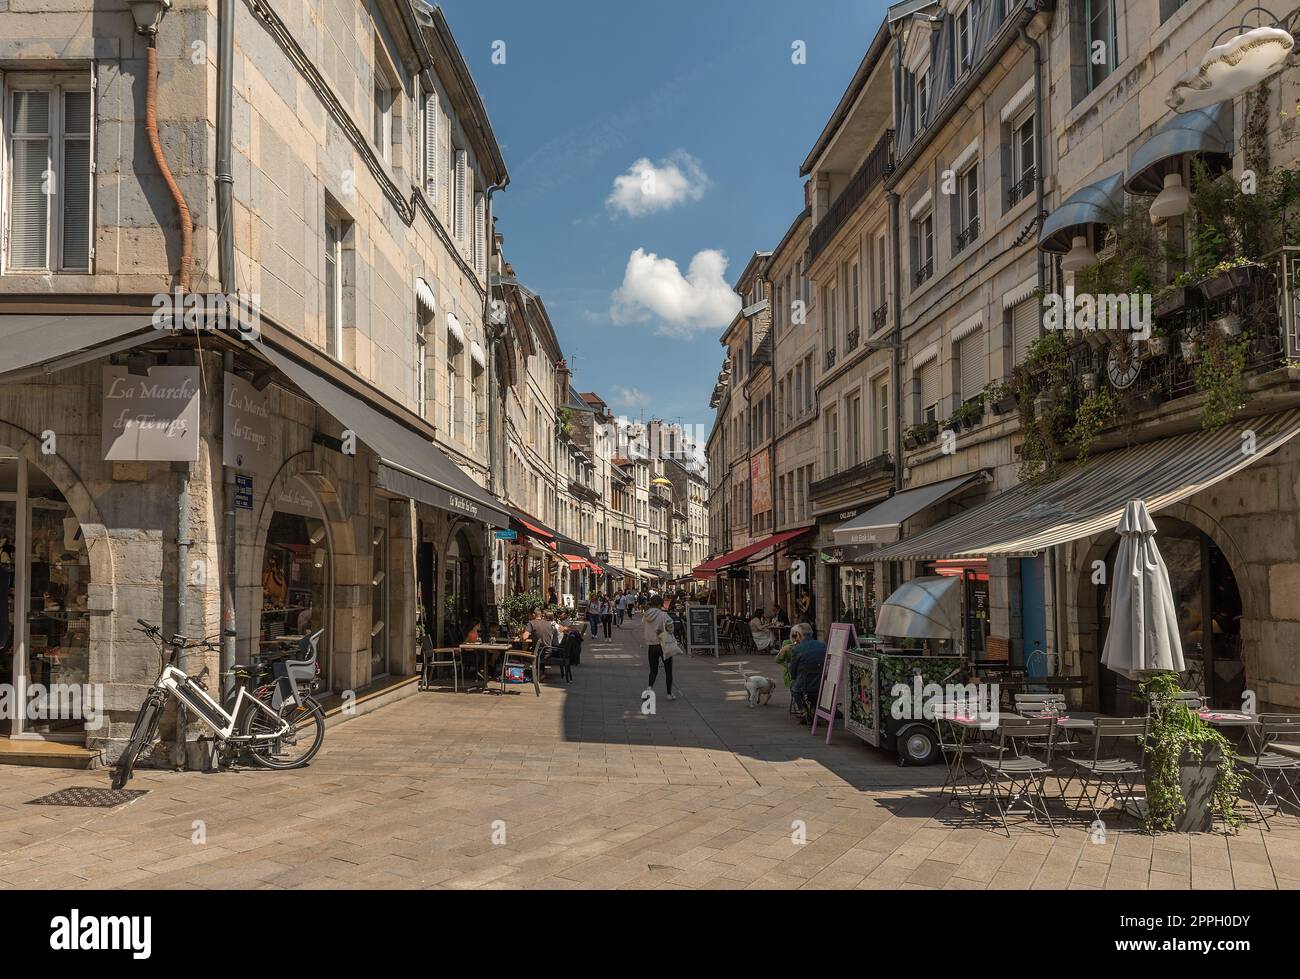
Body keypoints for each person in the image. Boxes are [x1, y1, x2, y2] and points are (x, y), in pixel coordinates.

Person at [788, 623, 827, 725]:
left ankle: (803, 711)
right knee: (812, 688)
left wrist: (793, 678)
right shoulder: (822, 645)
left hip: (804, 683)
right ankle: (813, 708)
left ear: (799, 635)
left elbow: (793, 670)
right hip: (821, 682)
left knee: (794, 687)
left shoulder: (797, 648)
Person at [642, 593, 678, 701]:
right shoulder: (663, 615)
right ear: (660, 604)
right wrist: (667, 631)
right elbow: (671, 627)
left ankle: (649, 689)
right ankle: (669, 693)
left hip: (651, 645)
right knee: (668, 670)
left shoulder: (646, 615)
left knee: (653, 670)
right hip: (663, 645)